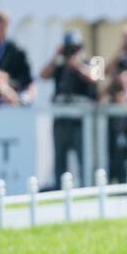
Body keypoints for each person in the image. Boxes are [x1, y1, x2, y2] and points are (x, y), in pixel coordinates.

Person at [39, 29, 99, 186]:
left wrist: (77, 66)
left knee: (83, 157)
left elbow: (95, 78)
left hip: (80, 121)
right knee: (60, 157)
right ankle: (60, 189)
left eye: (74, 48)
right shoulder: (59, 64)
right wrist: (55, 57)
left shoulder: (90, 61)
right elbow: (42, 75)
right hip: (61, 120)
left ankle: (87, 187)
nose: (71, 52)